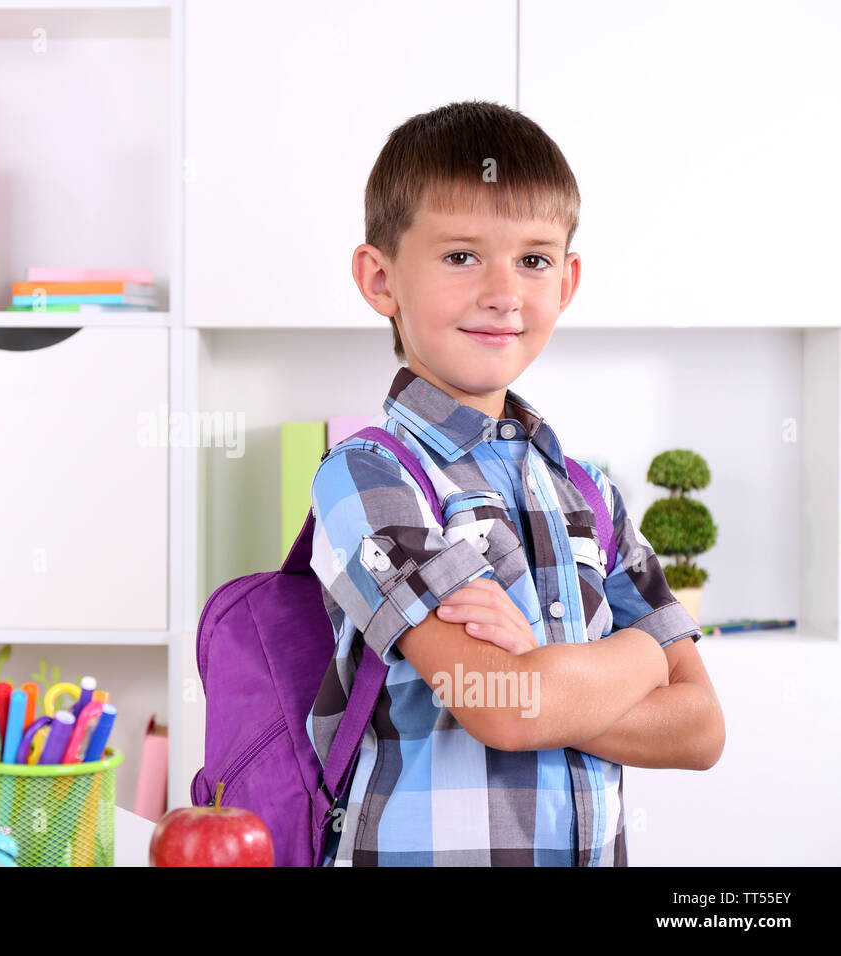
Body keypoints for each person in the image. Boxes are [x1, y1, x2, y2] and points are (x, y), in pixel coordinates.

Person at [306, 100, 724, 866]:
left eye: (532, 260)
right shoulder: (366, 478)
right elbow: (504, 709)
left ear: (566, 281)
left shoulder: (591, 493)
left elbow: (700, 730)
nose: (504, 292)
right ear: (379, 278)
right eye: (462, 256)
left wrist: (538, 668)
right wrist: (638, 656)